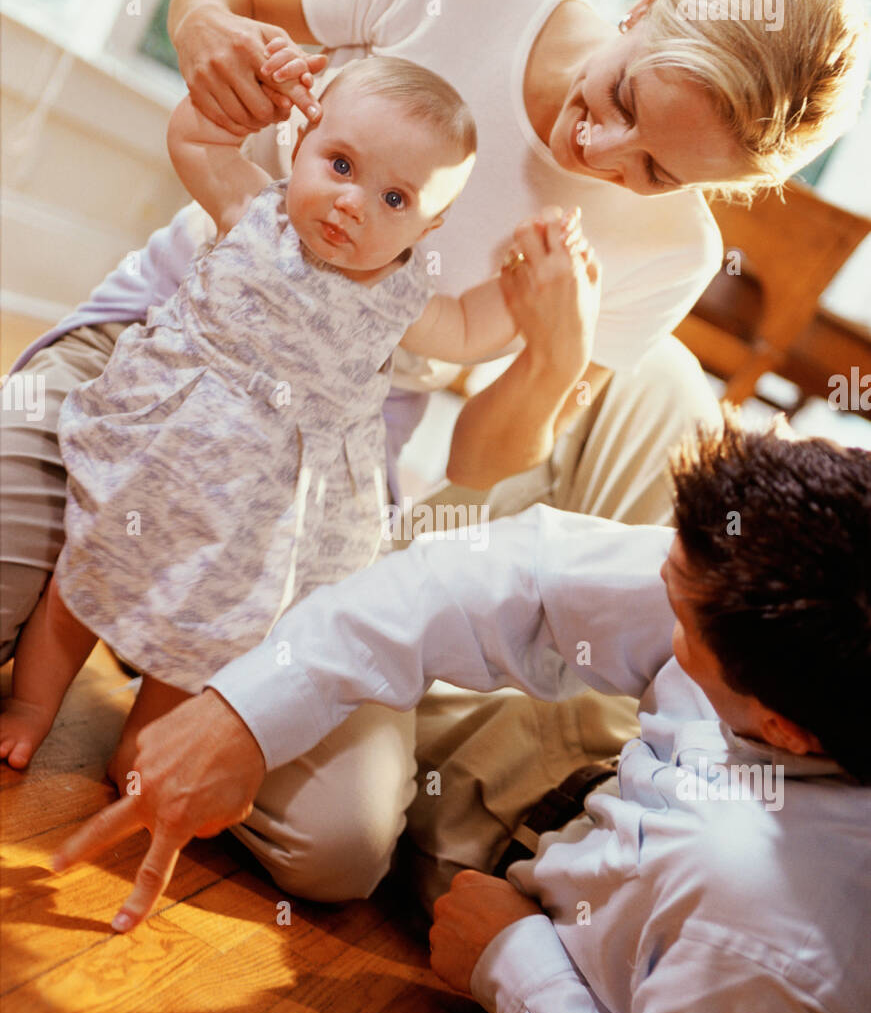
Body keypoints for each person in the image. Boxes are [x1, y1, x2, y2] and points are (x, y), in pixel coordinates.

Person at [4, 0, 868, 898]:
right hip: (166, 349)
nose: (598, 145)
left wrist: (552, 358)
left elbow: (480, 464)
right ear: (649, 3)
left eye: (656, 169)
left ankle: (159, 641)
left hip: (321, 462)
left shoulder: (669, 254)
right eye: (623, 96)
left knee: (338, 847)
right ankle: (95, 600)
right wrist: (209, 29)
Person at [51, 414, 871, 1013]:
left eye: (685, 629)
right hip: (593, 749)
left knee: (334, 838)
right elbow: (521, 576)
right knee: (656, 372)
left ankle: (248, 603)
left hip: (508, 835)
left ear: (784, 728)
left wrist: (513, 966)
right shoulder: (793, 611)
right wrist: (244, 711)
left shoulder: (769, 947)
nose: (665, 615)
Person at [2, 53, 589, 768]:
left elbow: (469, 329)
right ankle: (31, 706)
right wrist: (249, 99)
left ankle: (144, 757)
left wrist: (533, 277)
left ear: (428, 229)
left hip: (260, 508)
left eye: (394, 200)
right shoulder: (256, 211)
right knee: (86, 573)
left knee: (205, 637)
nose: (352, 203)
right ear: (300, 140)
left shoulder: (400, 297)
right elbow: (193, 139)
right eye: (340, 165)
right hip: (166, 449)